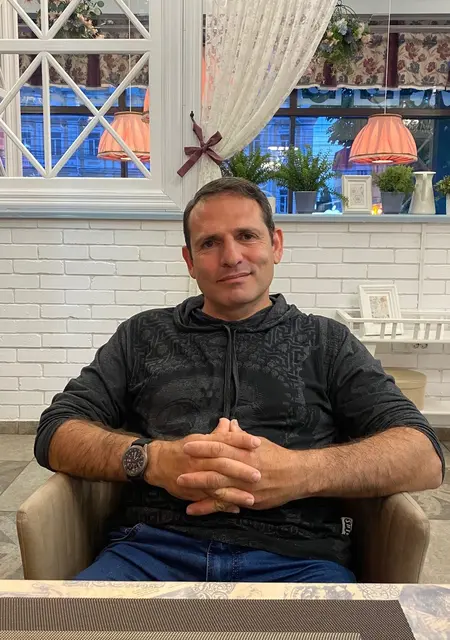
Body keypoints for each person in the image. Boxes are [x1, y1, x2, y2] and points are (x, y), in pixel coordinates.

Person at [35, 177, 444, 584]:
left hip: (299, 560)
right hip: (149, 552)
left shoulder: (326, 342)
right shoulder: (141, 336)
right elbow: (55, 431)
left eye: (246, 236)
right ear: (189, 261)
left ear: (275, 245)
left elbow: (424, 455)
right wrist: (152, 460)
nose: (231, 257)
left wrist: (300, 471)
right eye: (210, 243)